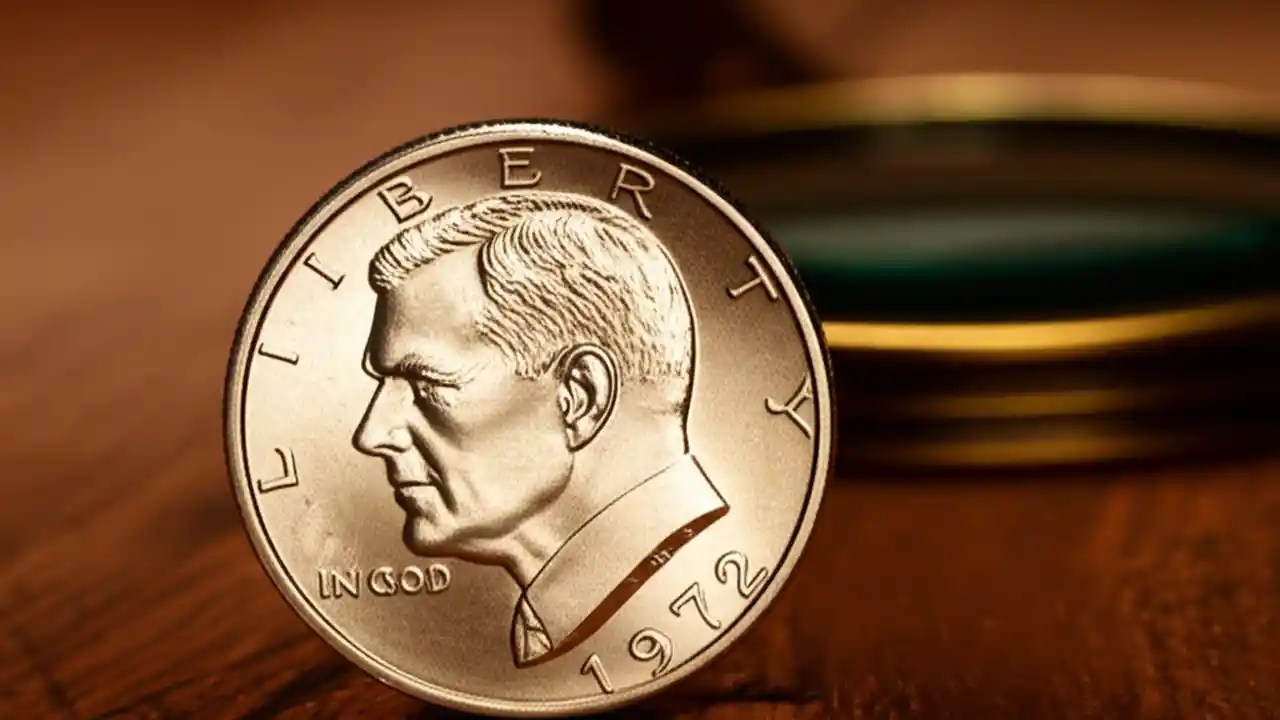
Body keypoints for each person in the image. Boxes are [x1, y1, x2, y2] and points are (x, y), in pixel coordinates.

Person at [352, 190, 727, 667]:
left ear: (579, 397)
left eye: (426, 384)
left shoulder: (663, 591)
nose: (371, 435)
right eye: (387, 385)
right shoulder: (555, 617)